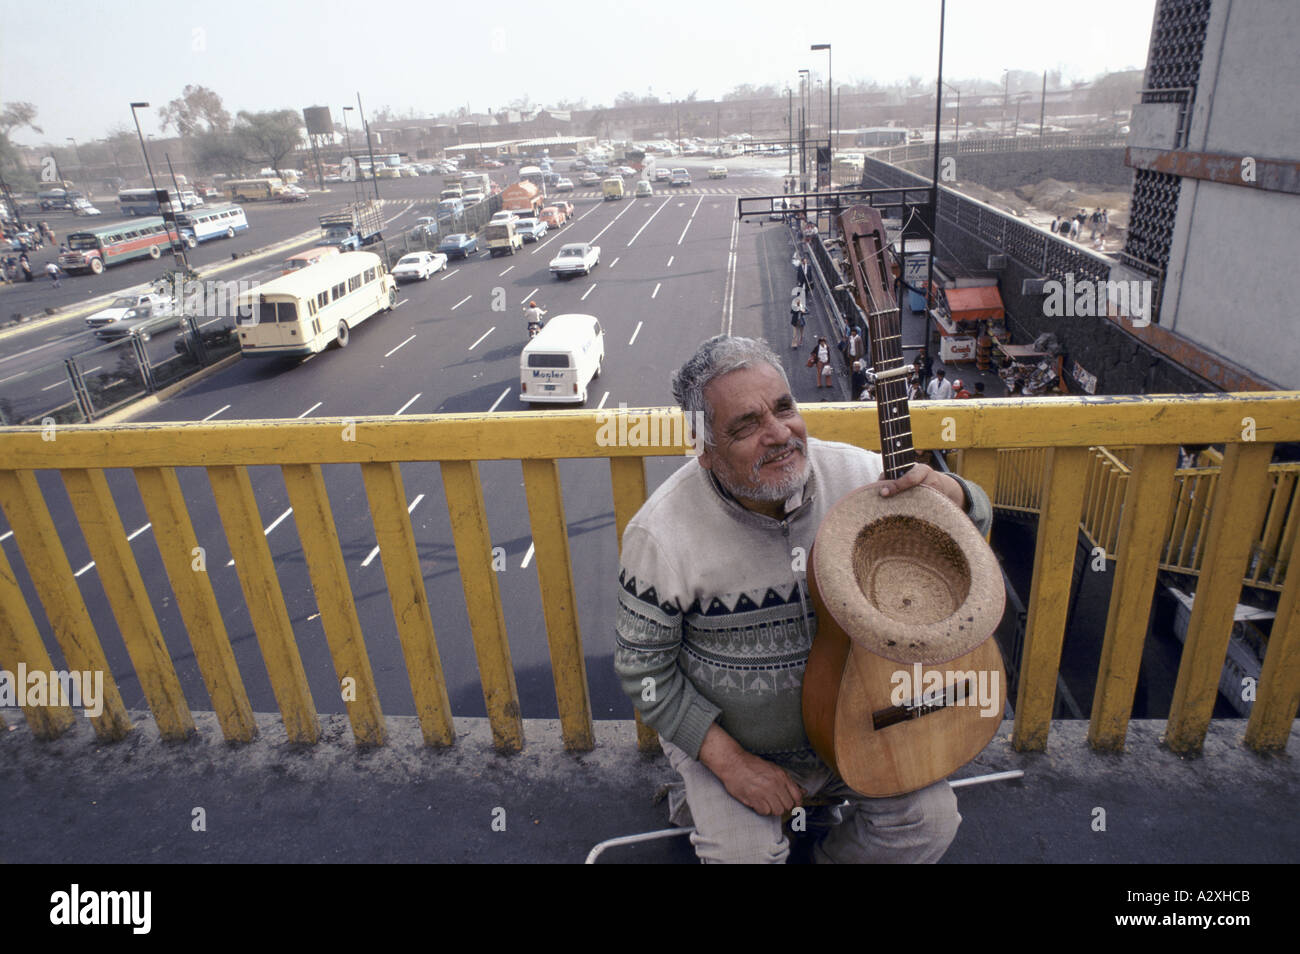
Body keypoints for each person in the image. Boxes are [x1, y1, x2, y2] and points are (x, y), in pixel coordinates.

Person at [613, 335, 992, 864]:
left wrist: (953, 495)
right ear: (703, 449)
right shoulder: (660, 535)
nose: (779, 435)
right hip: (737, 745)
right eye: (746, 425)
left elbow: (971, 537)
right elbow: (642, 670)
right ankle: (708, 792)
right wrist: (730, 763)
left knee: (928, 823)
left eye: (785, 408)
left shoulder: (863, 479)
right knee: (742, 856)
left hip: (863, 726)